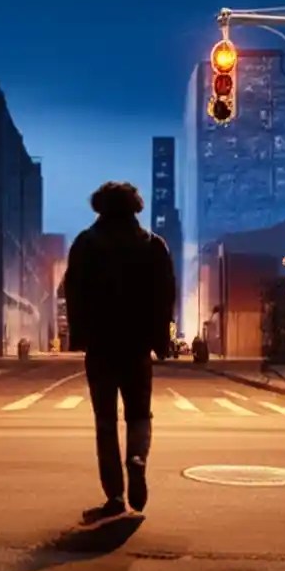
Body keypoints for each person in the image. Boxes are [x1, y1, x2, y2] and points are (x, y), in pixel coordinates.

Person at [63, 181, 177, 526]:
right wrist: (160, 339)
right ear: (135, 207)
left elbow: (74, 293)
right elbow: (165, 295)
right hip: (137, 344)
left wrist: (79, 336)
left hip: (101, 345)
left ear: (100, 207)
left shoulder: (85, 243)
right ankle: (138, 458)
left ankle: (114, 495)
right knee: (140, 414)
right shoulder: (154, 245)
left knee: (105, 422)